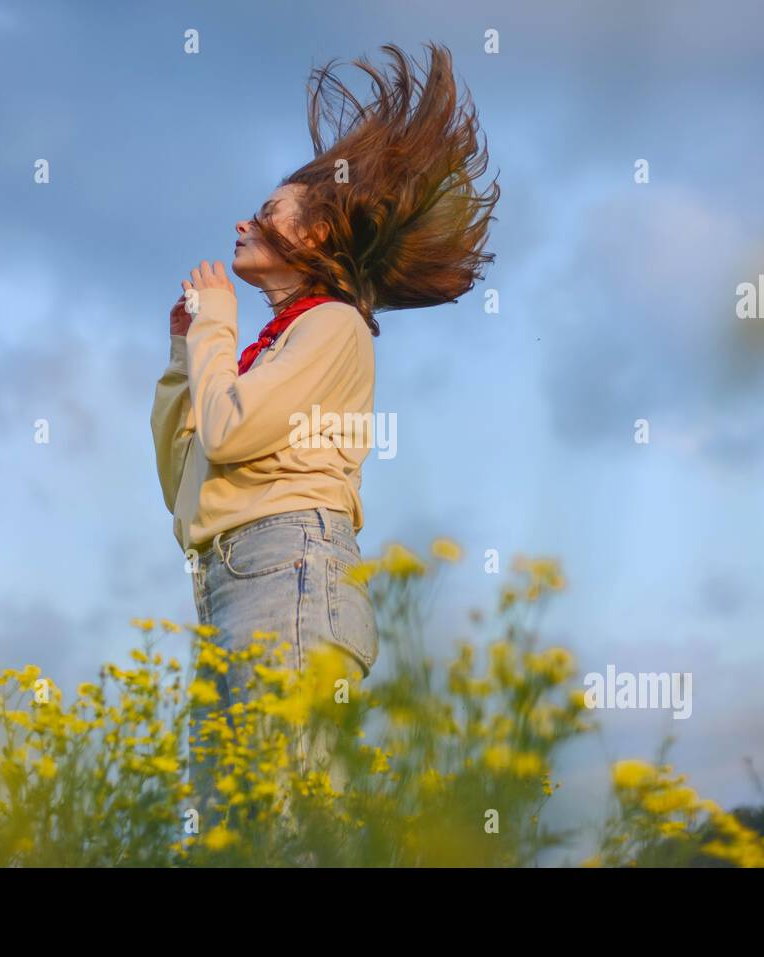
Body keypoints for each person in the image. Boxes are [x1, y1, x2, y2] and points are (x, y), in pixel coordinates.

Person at [150, 41, 499, 818]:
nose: (245, 220)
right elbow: (186, 476)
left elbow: (231, 433)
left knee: (284, 819)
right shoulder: (271, 344)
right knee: (229, 825)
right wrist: (187, 351)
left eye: (269, 213)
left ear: (314, 238)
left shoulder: (334, 325)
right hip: (238, 579)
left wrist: (214, 328)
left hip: (290, 571)